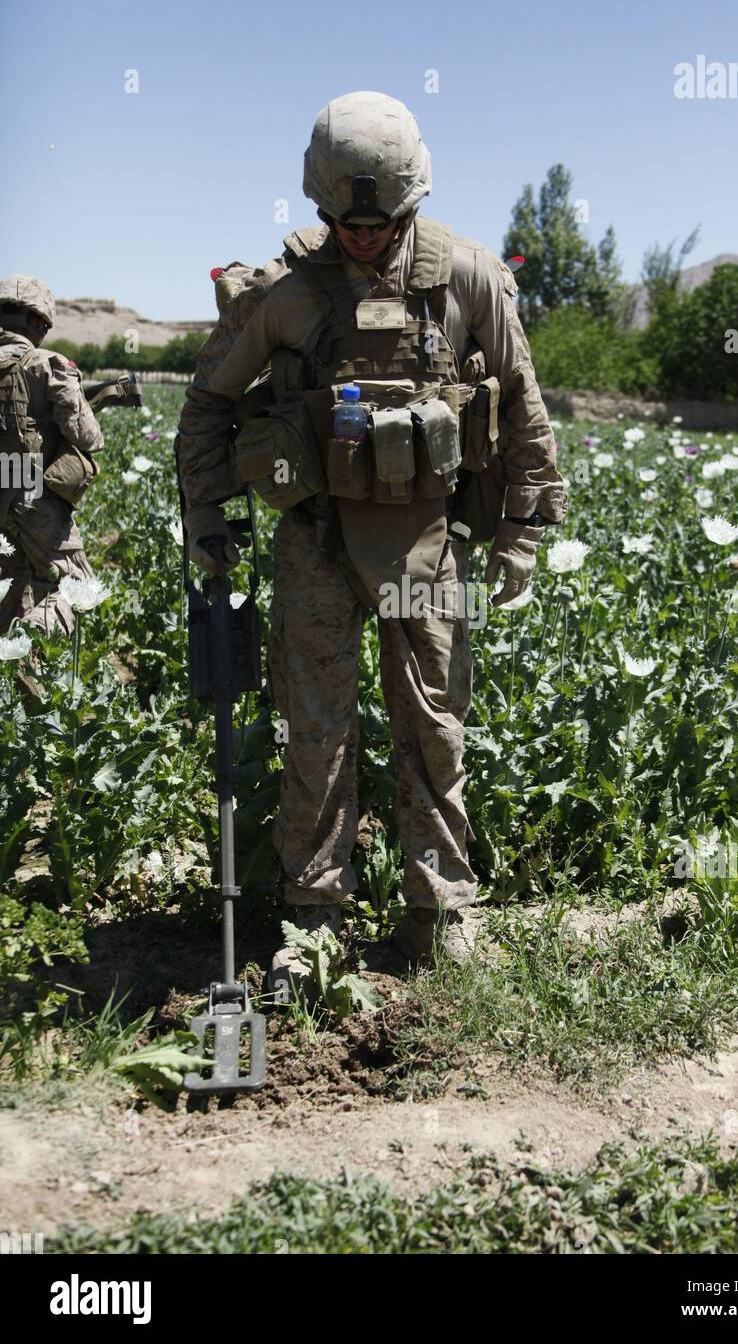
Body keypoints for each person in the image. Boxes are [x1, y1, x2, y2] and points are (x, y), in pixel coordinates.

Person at [176, 91, 566, 984]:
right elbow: (207, 407)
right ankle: (313, 918)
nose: (361, 236)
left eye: (380, 221)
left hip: (427, 542)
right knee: (315, 731)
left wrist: (520, 529)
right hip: (314, 541)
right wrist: (208, 518)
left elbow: (524, 409)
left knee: (433, 727)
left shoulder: (469, 279)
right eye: (341, 222)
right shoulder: (282, 294)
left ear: (411, 201)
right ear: (319, 205)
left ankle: (439, 912)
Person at [0, 274, 103, 638]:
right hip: (30, 496)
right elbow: (87, 436)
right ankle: (29, 653)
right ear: (34, 320)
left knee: (12, 593)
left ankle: (11, 675)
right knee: (77, 589)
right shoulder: (45, 363)